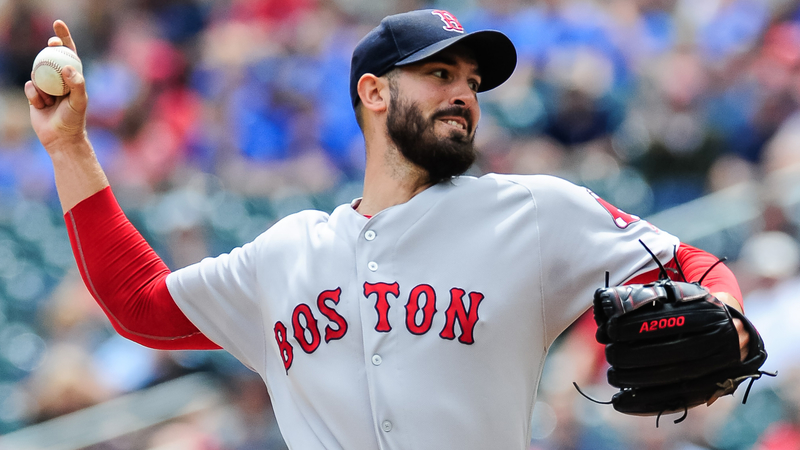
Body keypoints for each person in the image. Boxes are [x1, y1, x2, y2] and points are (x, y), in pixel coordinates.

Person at [26, 9, 751, 450]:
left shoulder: (532, 211)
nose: (464, 93)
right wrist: (69, 148)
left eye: (472, 81)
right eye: (440, 74)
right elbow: (139, 304)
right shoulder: (286, 253)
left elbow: (691, 264)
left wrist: (735, 324)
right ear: (373, 92)